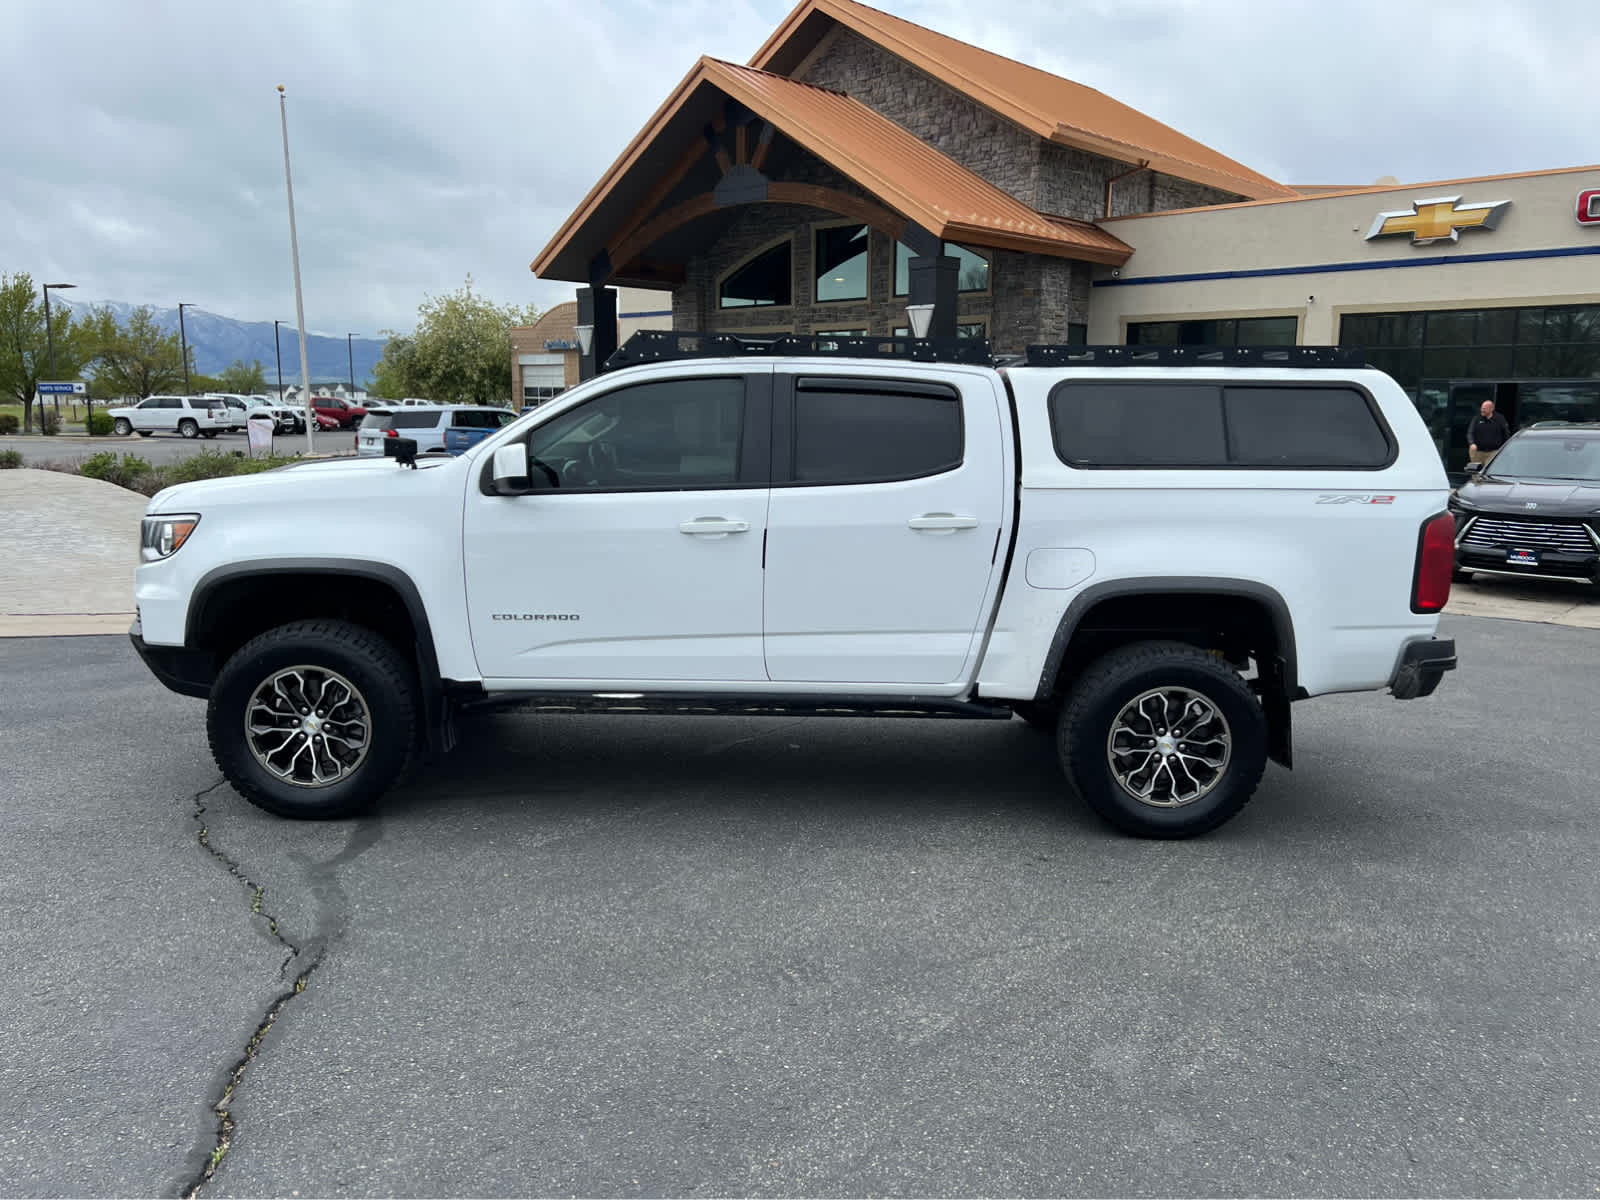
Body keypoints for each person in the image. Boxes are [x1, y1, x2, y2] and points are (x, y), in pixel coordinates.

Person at [1467, 400, 1510, 466]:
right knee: (1476, 472)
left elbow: (1506, 434)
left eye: (1484, 409)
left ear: (1491, 409)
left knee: (1488, 470)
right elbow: (1470, 432)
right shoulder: (1477, 419)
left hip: (1493, 452)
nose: (1482, 410)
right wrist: (1472, 443)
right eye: (1482, 408)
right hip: (1477, 451)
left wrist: (1504, 448)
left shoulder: (1500, 419)